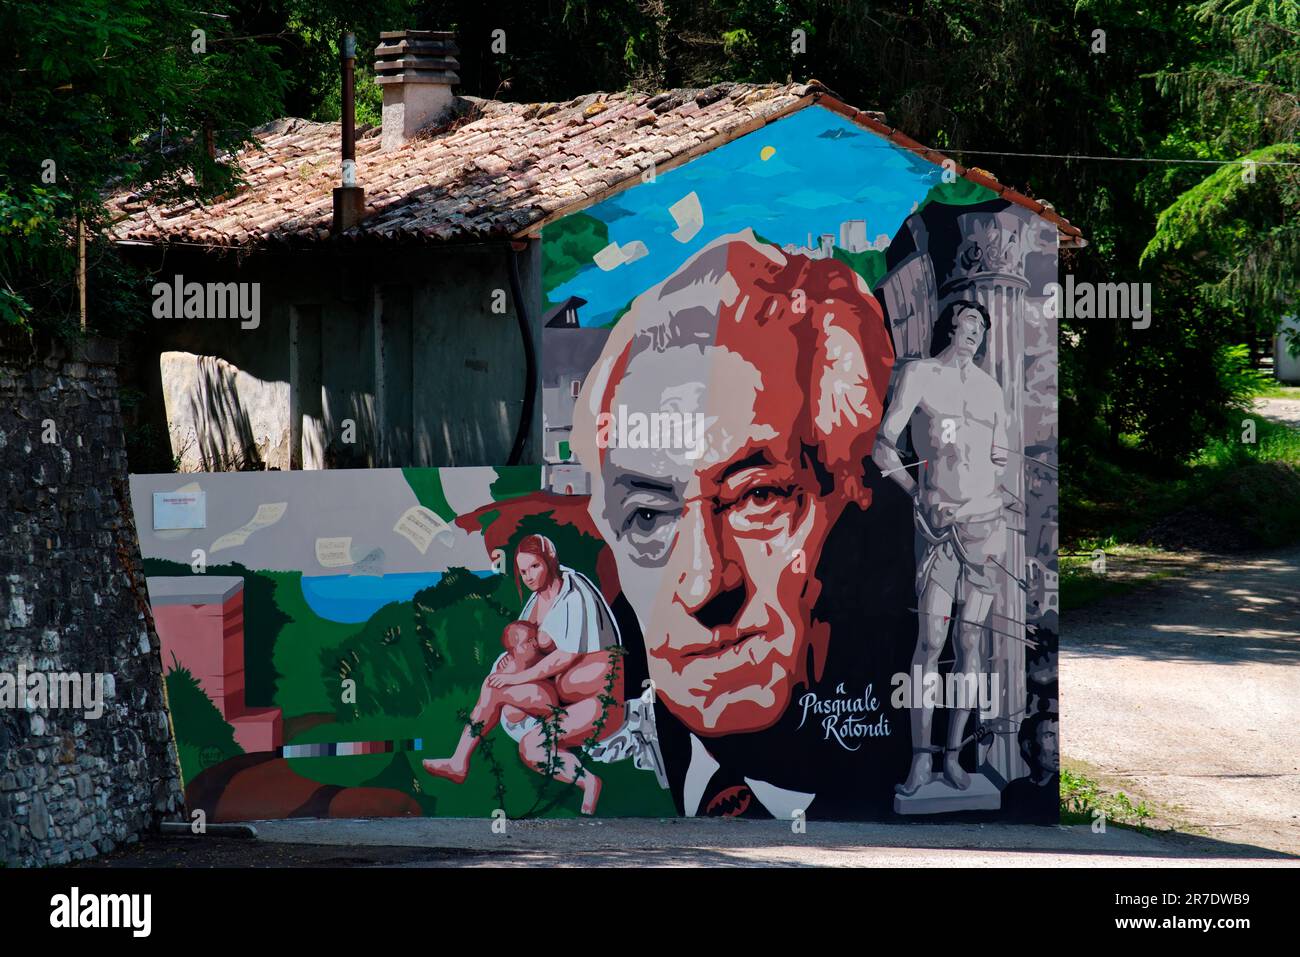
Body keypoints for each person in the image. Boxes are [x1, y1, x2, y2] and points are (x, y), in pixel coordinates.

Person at [569, 230, 904, 817]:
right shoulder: (615, 765)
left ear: (844, 497)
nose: (703, 586)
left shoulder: (907, 755)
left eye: (758, 498)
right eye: (646, 516)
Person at [872, 297, 1013, 795]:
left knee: (971, 643)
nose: (976, 331)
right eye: (969, 322)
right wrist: (917, 496)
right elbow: (883, 446)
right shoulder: (921, 376)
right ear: (950, 327)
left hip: (985, 528)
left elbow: (1000, 459)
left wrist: (985, 498)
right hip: (936, 528)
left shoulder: (992, 390)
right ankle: (920, 761)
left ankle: (954, 758)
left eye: (982, 326)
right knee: (931, 642)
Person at [423, 534, 623, 815]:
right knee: (496, 692)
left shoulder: (574, 595)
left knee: (532, 746)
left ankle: (589, 784)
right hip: (557, 696)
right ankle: (459, 761)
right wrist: (506, 668)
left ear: (549, 561)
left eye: (534, 567)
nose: (528, 576)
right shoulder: (536, 601)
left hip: (592, 701)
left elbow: (565, 655)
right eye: (523, 571)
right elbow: (522, 647)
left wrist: (516, 679)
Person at [998, 711, 1059, 821]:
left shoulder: (1061, 790)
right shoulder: (1015, 789)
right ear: (1028, 745)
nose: (1058, 748)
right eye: (1049, 736)